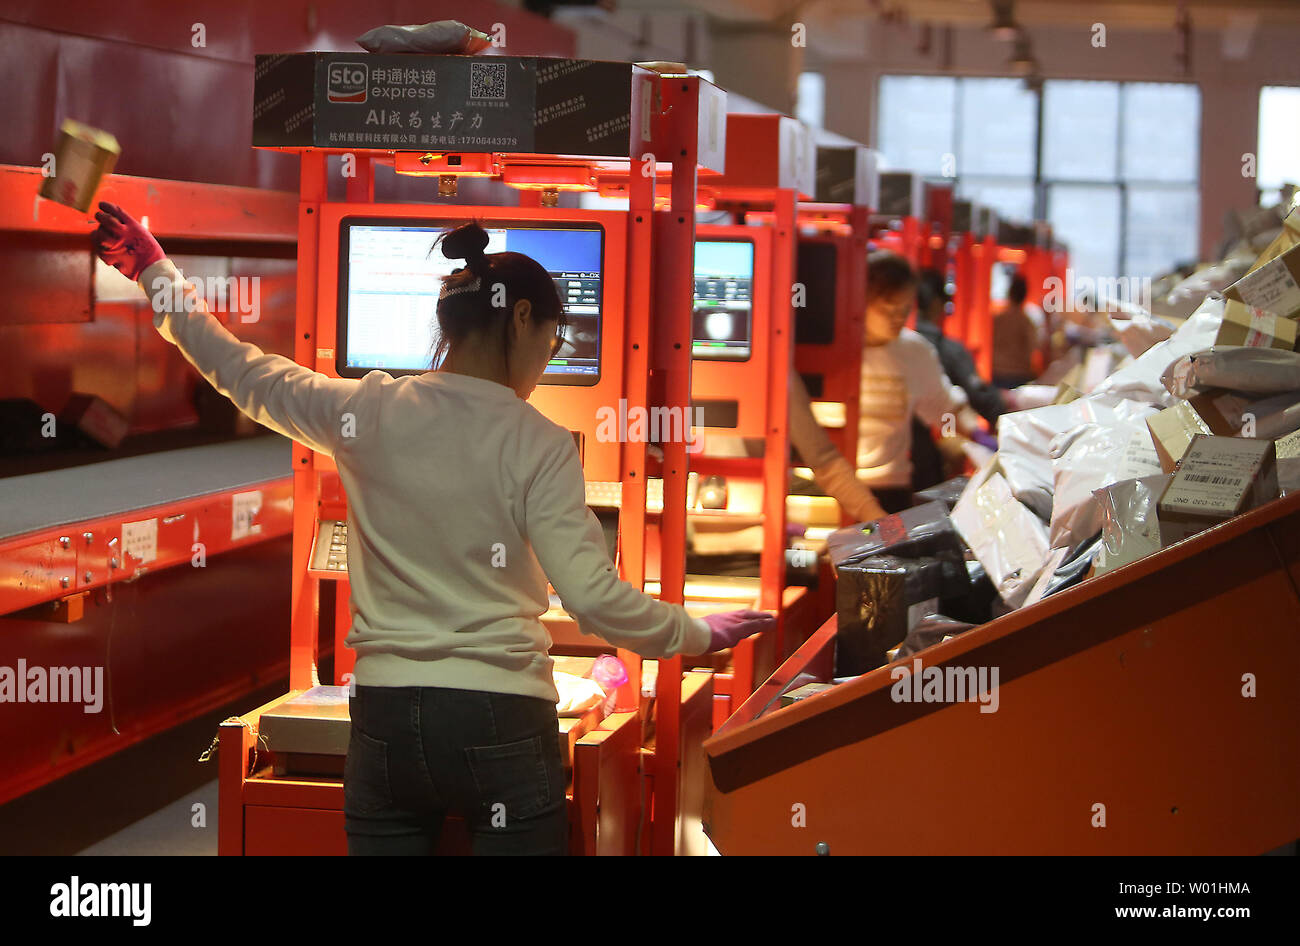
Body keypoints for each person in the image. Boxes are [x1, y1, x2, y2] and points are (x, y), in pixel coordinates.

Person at [92, 205, 773, 856]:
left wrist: (157, 271)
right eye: (552, 340)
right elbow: (593, 602)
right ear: (524, 317)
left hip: (387, 725)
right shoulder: (539, 443)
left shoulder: (368, 411)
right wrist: (696, 632)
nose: (548, 357)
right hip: (501, 724)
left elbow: (240, 371)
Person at [857, 252, 988, 513]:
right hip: (830, 487)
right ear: (861, 301)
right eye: (887, 309)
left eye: (905, 309)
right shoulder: (836, 351)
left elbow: (946, 410)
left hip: (889, 488)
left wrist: (980, 438)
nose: (898, 318)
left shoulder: (915, 351)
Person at [992, 273, 1041, 389]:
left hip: (997, 372)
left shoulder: (998, 319)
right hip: (1019, 375)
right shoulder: (1026, 322)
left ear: (1010, 292)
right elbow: (1032, 347)